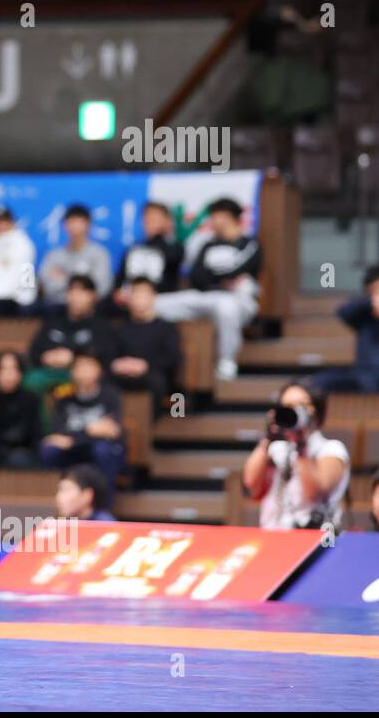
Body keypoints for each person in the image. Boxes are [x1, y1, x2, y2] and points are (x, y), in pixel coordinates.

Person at [153, 197, 261, 381]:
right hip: (206, 296)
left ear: (229, 217)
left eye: (216, 216)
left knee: (226, 307)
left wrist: (218, 279)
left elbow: (244, 270)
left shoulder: (250, 244)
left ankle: (227, 362)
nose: (212, 221)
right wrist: (222, 281)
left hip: (237, 300)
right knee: (156, 304)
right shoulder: (207, 245)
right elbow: (197, 277)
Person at [242, 381, 349, 531]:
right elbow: (251, 485)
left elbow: (313, 494)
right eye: (288, 407)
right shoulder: (276, 448)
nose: (294, 412)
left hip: (314, 538)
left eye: (303, 406)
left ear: (317, 411)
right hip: (273, 534)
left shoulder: (331, 449)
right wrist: (267, 438)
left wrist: (301, 445)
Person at [39, 349, 125, 503]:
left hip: (97, 449)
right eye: (79, 367)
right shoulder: (63, 397)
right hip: (73, 451)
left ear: (99, 370)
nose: (84, 371)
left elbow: (112, 430)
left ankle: (103, 505)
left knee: (104, 450)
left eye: (89, 366)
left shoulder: (110, 395)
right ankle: (53, 502)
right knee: (49, 448)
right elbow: (58, 433)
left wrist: (75, 437)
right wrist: (90, 431)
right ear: (72, 372)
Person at [24, 274, 115, 396]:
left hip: (79, 373)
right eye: (72, 292)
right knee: (31, 379)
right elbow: (34, 351)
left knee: (85, 376)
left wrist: (74, 358)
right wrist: (45, 357)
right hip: (49, 372)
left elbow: (105, 355)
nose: (75, 298)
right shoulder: (53, 322)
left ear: (93, 296)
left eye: (81, 293)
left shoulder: (100, 326)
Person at [108, 277, 181, 413]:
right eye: (136, 294)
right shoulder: (119, 328)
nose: (140, 299)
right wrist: (117, 364)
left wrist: (145, 365)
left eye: (144, 294)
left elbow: (172, 358)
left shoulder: (166, 327)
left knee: (159, 384)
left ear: (153, 297)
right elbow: (109, 355)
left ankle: (145, 425)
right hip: (123, 376)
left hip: (153, 376)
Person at [102, 201, 184, 318]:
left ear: (166, 221)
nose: (150, 220)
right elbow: (120, 277)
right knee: (103, 305)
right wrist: (118, 292)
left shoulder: (175, 248)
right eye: (147, 216)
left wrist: (159, 236)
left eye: (155, 216)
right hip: (129, 296)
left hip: (159, 297)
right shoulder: (133, 249)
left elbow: (172, 265)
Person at [313, 265, 379, 394]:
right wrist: (371, 302)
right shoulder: (365, 316)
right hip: (363, 375)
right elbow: (344, 311)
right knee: (320, 381)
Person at [38, 203, 112, 306]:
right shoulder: (54, 255)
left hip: (91, 309)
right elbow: (47, 285)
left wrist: (65, 279)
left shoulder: (99, 254)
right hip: (58, 307)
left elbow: (101, 287)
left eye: (79, 221)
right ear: (64, 225)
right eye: (71, 221)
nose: (75, 226)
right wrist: (82, 285)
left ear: (88, 224)